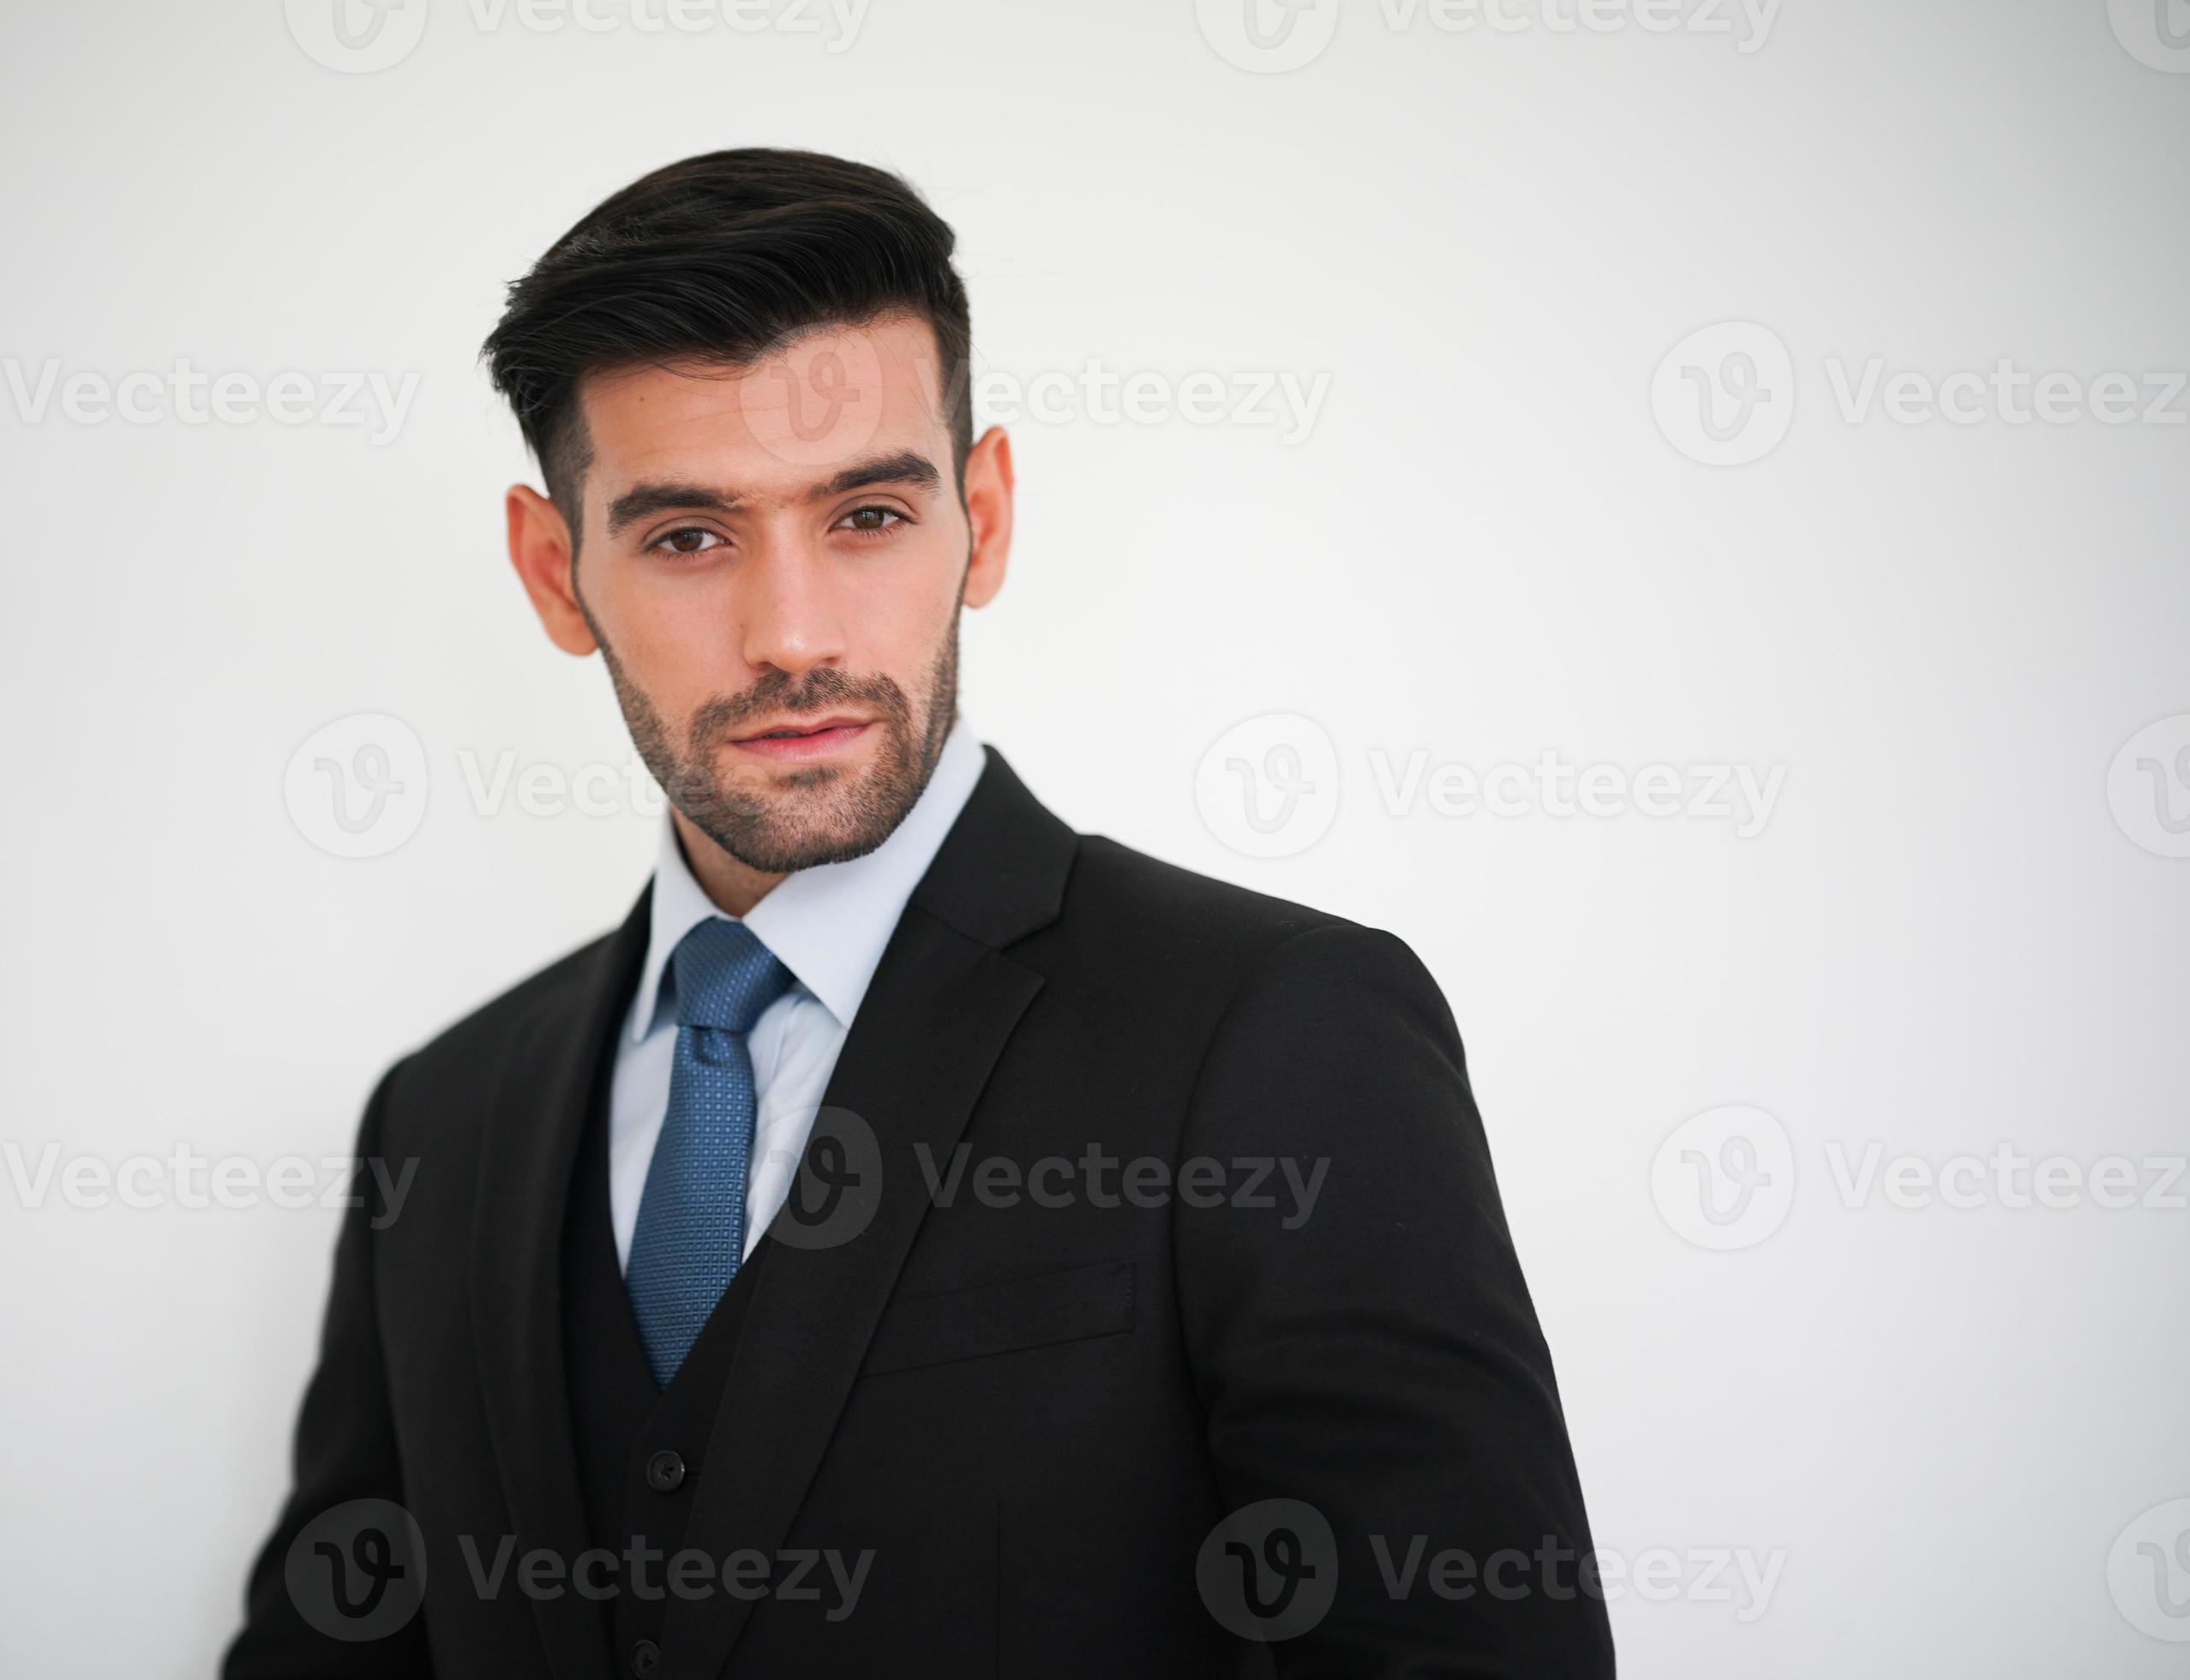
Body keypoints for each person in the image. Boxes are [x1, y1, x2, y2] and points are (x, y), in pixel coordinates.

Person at [225, 147, 1612, 1678]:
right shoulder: (441, 1119)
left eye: (868, 515)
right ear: (557, 575)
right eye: (688, 537)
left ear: (985, 516)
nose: (792, 635)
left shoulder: (1281, 1032)